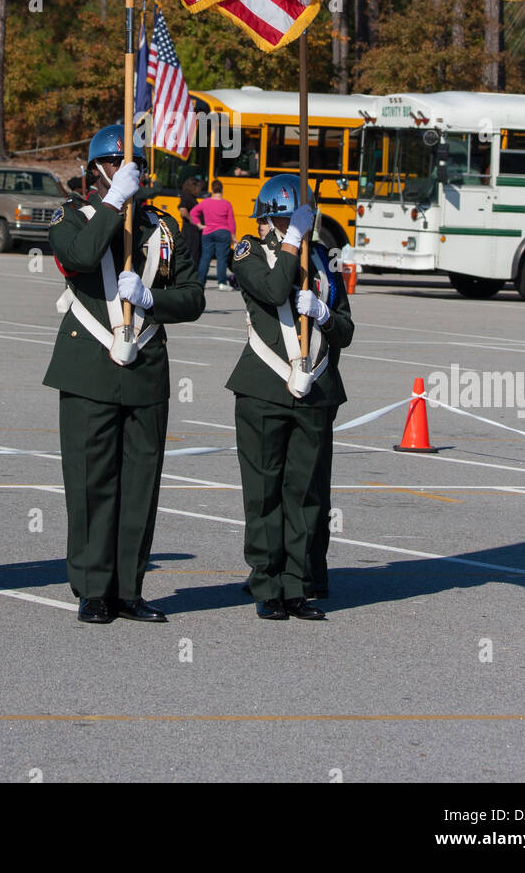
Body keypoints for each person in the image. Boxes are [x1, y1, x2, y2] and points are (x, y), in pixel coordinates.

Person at [44, 124, 204, 623]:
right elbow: (81, 255)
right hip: (88, 364)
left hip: (146, 367)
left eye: (130, 164)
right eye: (114, 164)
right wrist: (114, 202)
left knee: (140, 483)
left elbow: (194, 297)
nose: (126, 170)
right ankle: (93, 588)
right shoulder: (72, 217)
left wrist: (153, 298)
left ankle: (128, 588)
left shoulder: (165, 229)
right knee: (91, 481)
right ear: (96, 170)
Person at [226, 175, 354, 621]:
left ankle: (298, 585)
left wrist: (323, 314)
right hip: (265, 385)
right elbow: (273, 290)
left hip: (316, 389)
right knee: (264, 491)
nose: (291, 225)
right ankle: (266, 584)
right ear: (267, 219)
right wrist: (293, 239)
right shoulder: (246, 251)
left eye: (298, 217)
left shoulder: (324, 260)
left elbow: (347, 328)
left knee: (305, 495)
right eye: (282, 218)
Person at [191, 178, 236, 289]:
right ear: (222, 190)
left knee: (205, 257)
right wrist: (233, 236)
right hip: (223, 233)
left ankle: (201, 282)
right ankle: (222, 283)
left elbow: (193, 212)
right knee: (222, 258)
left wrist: (199, 225)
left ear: (211, 189)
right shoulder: (226, 204)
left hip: (208, 232)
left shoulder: (205, 202)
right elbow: (231, 222)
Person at [177, 168, 203, 267]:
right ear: (193, 187)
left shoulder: (190, 197)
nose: (200, 190)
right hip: (191, 232)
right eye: (199, 187)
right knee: (193, 254)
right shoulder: (187, 197)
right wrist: (192, 220)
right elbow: (183, 210)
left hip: (193, 231)